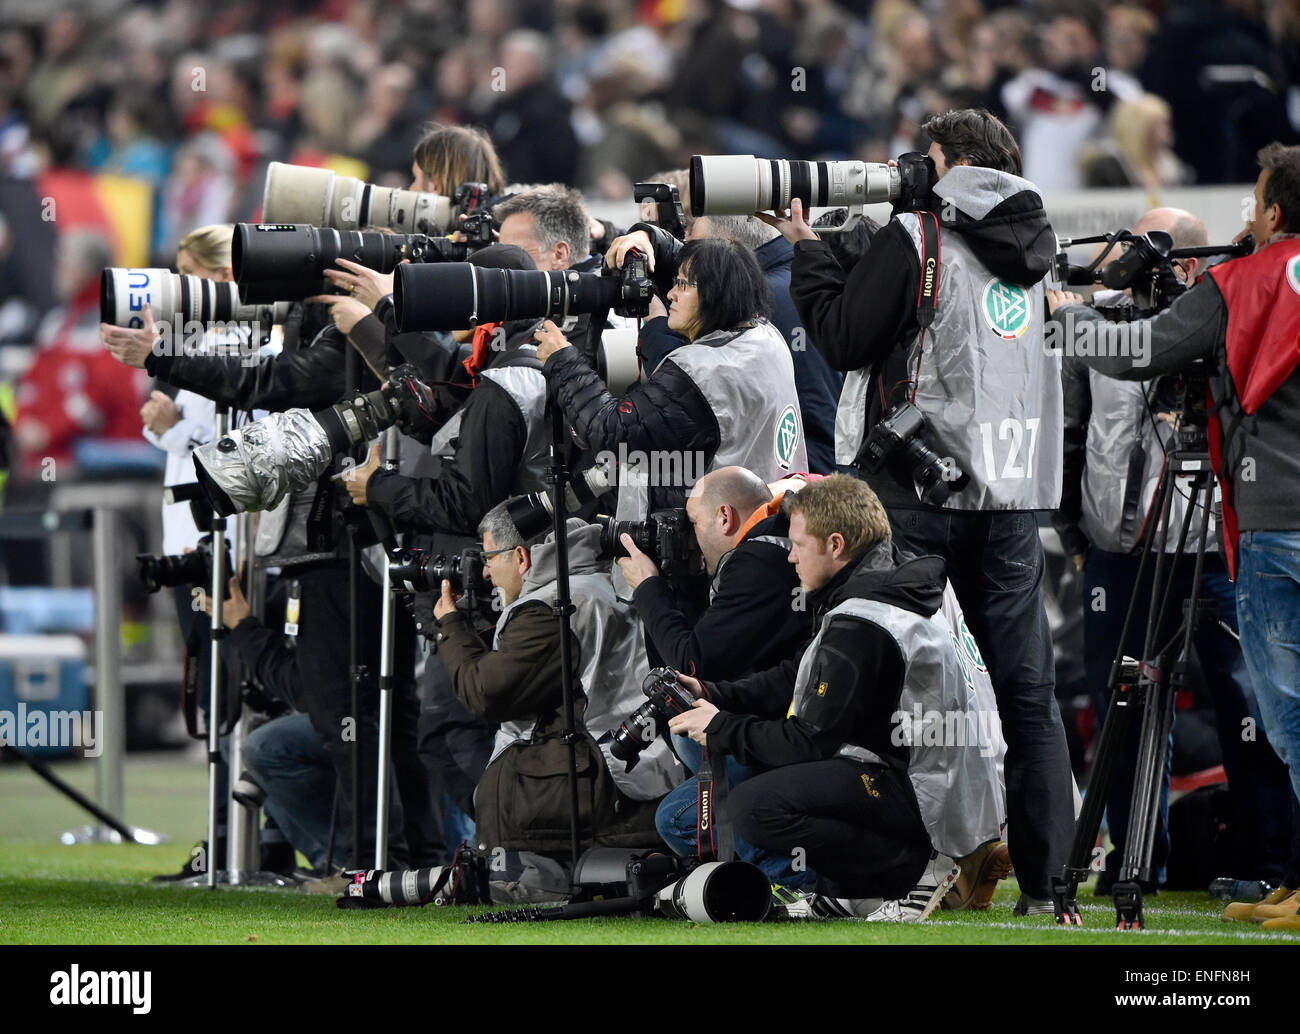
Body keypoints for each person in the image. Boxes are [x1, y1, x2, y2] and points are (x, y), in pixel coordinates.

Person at [772, 107, 1073, 914]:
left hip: (914, 492)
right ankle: (1049, 887)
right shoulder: (1040, 243)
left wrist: (806, 253)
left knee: (903, 688)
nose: (913, 171)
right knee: (1025, 691)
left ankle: (914, 869)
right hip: (1010, 497)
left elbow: (841, 337)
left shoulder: (921, 235)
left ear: (950, 165)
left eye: (925, 160)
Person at [1047, 142, 1300, 931]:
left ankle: (1279, 872)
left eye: (1256, 203)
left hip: (1262, 529)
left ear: (1278, 211)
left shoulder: (1242, 283)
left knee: (1283, 714)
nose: (1247, 219)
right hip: (1161, 539)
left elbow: (1145, 351)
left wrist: (1066, 318)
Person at [667, 475, 1004, 921]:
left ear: (836, 545)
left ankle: (914, 872)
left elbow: (807, 741)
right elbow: (800, 679)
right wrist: (714, 693)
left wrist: (720, 726)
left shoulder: (863, 617)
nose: (790, 557)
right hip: (955, 779)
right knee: (758, 781)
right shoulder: (897, 579)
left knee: (753, 807)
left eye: (799, 545)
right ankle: (869, 881)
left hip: (927, 794)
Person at [430, 504, 680, 900]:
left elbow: (486, 694)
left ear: (521, 556)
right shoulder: (597, 585)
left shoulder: (550, 608)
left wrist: (450, 627)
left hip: (607, 776)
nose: (484, 572)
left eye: (489, 557)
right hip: (636, 766)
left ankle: (535, 874)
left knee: (504, 774)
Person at [537, 237, 807, 561]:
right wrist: (647, 239)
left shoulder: (704, 372)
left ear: (713, 294)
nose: (670, 293)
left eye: (682, 284)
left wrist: (563, 360)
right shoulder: (765, 336)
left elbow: (610, 431)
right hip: (769, 530)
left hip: (705, 552)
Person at [491, 183, 608, 368]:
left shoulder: (595, 318)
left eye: (512, 252)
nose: (502, 264)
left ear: (559, 254)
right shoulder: (556, 302)